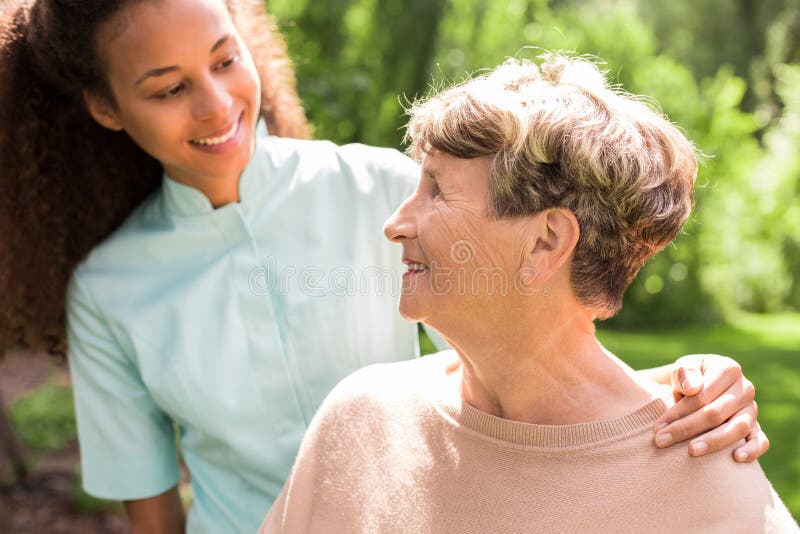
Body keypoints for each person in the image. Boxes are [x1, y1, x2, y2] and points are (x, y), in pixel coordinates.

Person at [0, 1, 770, 532]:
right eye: (168, 89)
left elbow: (524, 347)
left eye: (225, 59)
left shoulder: (383, 189)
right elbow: (152, 511)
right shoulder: (110, 292)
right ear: (106, 107)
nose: (215, 104)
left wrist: (676, 389)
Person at [259, 55, 799, 534]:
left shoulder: (708, 486)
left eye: (438, 191)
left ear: (545, 242)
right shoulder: (363, 418)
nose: (396, 225)